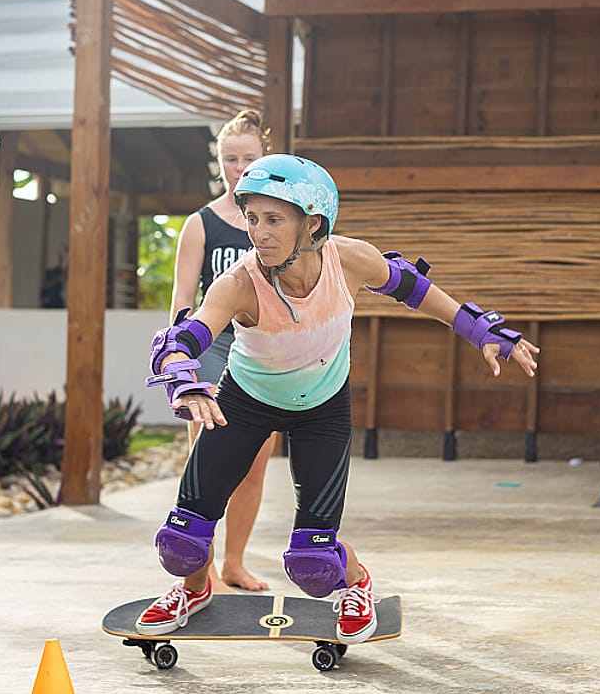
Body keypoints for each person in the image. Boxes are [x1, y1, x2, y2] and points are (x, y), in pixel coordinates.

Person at [137, 154, 540, 642]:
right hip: (245, 401)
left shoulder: (349, 261)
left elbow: (415, 288)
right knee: (182, 541)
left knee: (313, 564)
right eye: (252, 218)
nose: (257, 232)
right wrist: (184, 377)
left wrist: (478, 330)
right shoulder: (238, 283)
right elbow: (186, 337)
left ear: (313, 224)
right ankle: (194, 590)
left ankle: (358, 582)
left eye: (274, 219)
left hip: (321, 410)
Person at [167, 108, 276, 593]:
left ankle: (234, 562)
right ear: (220, 162)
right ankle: (200, 568)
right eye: (230, 159)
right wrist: (180, 365)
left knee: (255, 461)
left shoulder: (279, 223)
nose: (239, 168)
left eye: (248, 158)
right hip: (212, 346)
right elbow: (182, 303)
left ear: (265, 157)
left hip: (261, 349)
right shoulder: (201, 224)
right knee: (207, 460)